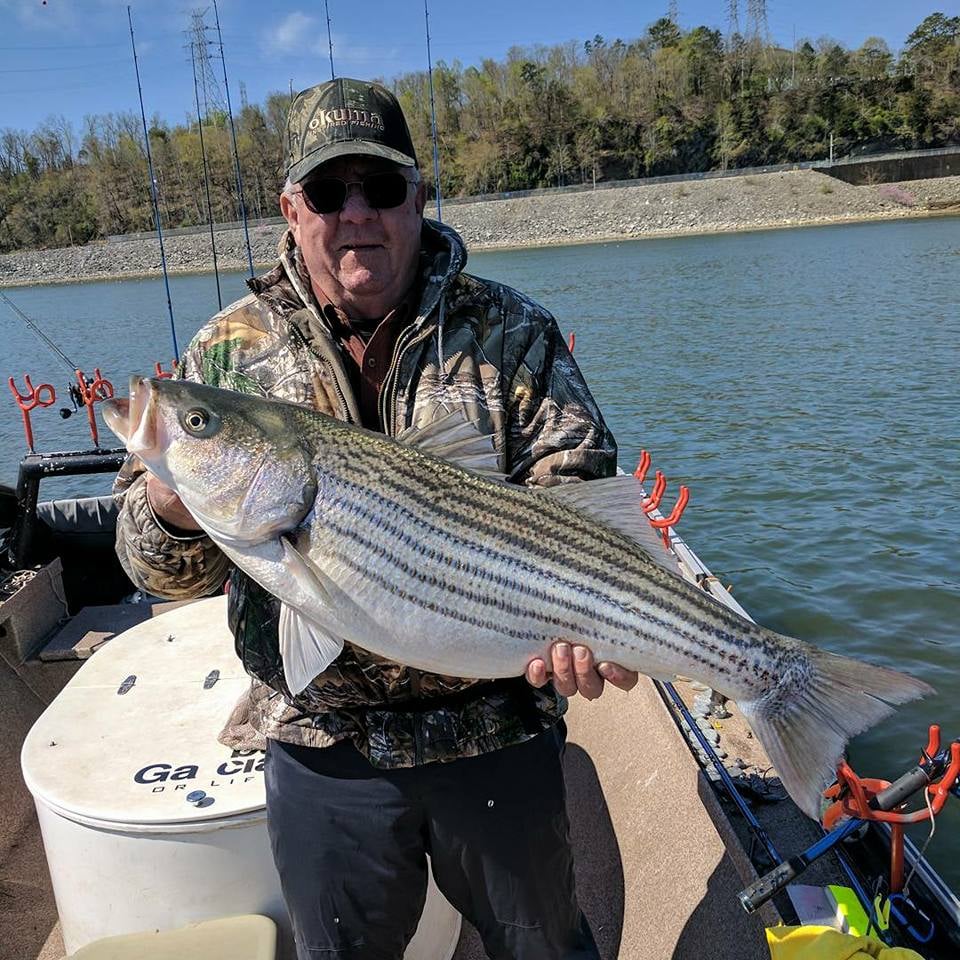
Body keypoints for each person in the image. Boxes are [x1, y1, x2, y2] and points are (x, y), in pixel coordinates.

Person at [114, 77, 638, 960]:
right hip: (324, 740)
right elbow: (160, 574)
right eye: (328, 192)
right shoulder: (225, 354)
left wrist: (586, 615)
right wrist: (172, 499)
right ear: (291, 207)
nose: (356, 213)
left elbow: (575, 481)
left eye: (382, 188)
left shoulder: (511, 329)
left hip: (494, 717)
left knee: (544, 948)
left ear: (418, 198)